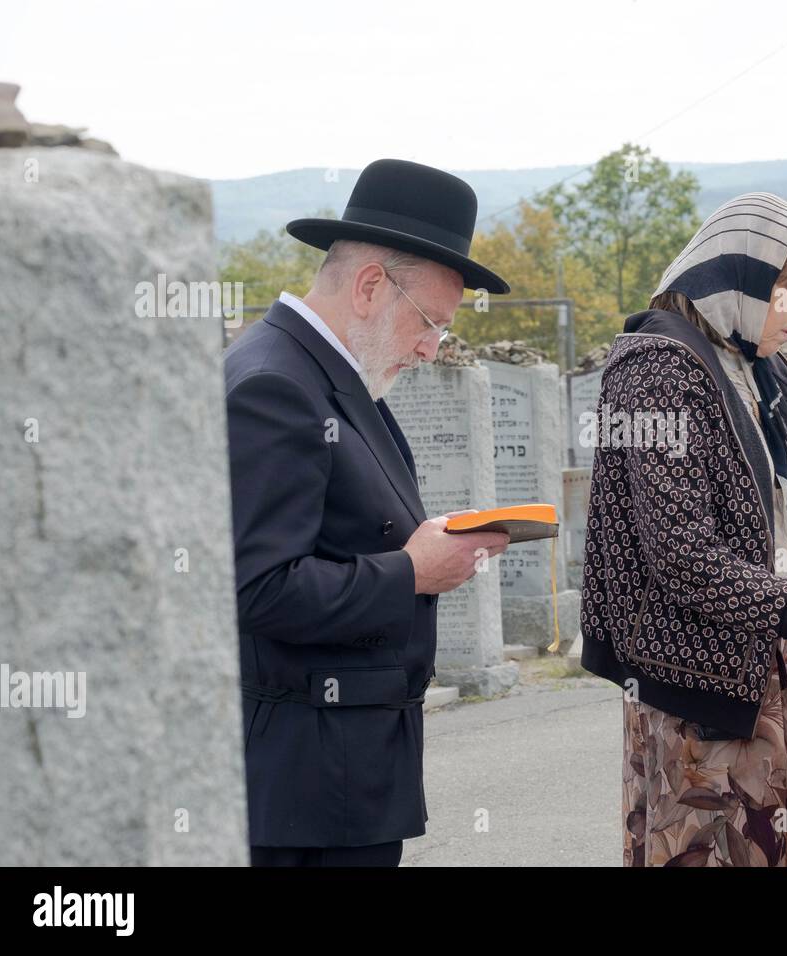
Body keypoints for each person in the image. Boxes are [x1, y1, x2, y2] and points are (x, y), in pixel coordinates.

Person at [580, 192, 787, 867]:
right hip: (700, 692)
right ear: (742, 279)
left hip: (774, 665)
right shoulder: (654, 370)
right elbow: (678, 548)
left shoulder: (766, 373)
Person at [224, 159, 511, 866]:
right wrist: (411, 571)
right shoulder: (276, 385)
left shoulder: (321, 375)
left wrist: (427, 548)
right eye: (430, 324)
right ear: (370, 284)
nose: (430, 348)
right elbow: (258, 586)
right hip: (306, 789)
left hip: (341, 778)